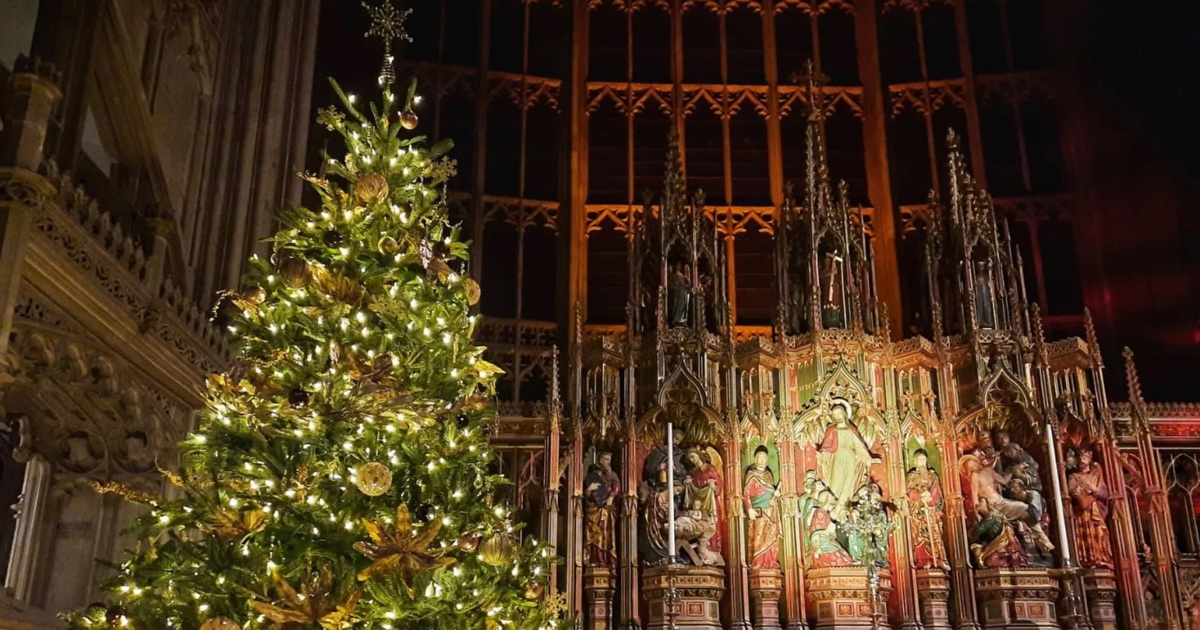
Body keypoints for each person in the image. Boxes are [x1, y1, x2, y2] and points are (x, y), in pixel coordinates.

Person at [817, 402, 877, 522]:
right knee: (835, 483)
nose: (837, 416)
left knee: (848, 484)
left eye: (839, 413)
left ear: (844, 414)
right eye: (835, 414)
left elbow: (859, 446)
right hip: (836, 459)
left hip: (850, 458)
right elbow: (826, 447)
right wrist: (822, 455)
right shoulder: (831, 429)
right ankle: (834, 512)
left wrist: (868, 458)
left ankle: (844, 510)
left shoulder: (851, 429)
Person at [1068, 448, 1115, 568]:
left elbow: (1105, 494)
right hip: (1083, 513)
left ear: (1089, 460)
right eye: (1080, 458)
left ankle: (1101, 557)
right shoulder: (1074, 476)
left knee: (1099, 532)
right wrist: (1080, 495)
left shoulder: (1096, 476)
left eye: (1084, 458)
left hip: (1096, 510)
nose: (1081, 460)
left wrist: (1094, 490)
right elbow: (1073, 492)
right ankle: (1087, 560)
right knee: (1084, 534)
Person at [906, 449, 947, 569]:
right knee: (920, 534)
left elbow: (937, 490)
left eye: (924, 459)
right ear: (915, 461)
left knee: (935, 533)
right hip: (918, 509)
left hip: (931, 508)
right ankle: (924, 560)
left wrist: (930, 496)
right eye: (919, 460)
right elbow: (908, 492)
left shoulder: (932, 476)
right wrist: (919, 496)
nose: (922, 462)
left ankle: (938, 559)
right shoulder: (912, 476)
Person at [744, 445, 780, 569]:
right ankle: (758, 563)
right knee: (758, 538)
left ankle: (770, 562)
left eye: (764, 458)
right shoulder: (751, 474)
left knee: (771, 537)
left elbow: (771, 492)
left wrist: (775, 495)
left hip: (770, 511)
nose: (762, 460)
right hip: (758, 511)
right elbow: (746, 494)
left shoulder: (769, 475)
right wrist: (749, 509)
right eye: (760, 458)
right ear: (755, 459)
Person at [584, 453, 620, 568]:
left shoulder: (612, 475)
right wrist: (588, 491)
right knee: (594, 535)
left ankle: (607, 560)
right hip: (595, 510)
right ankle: (596, 559)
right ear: (600, 460)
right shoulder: (593, 475)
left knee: (607, 536)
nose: (607, 462)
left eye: (609, 460)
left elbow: (616, 487)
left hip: (607, 510)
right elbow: (588, 496)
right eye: (605, 459)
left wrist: (611, 496)